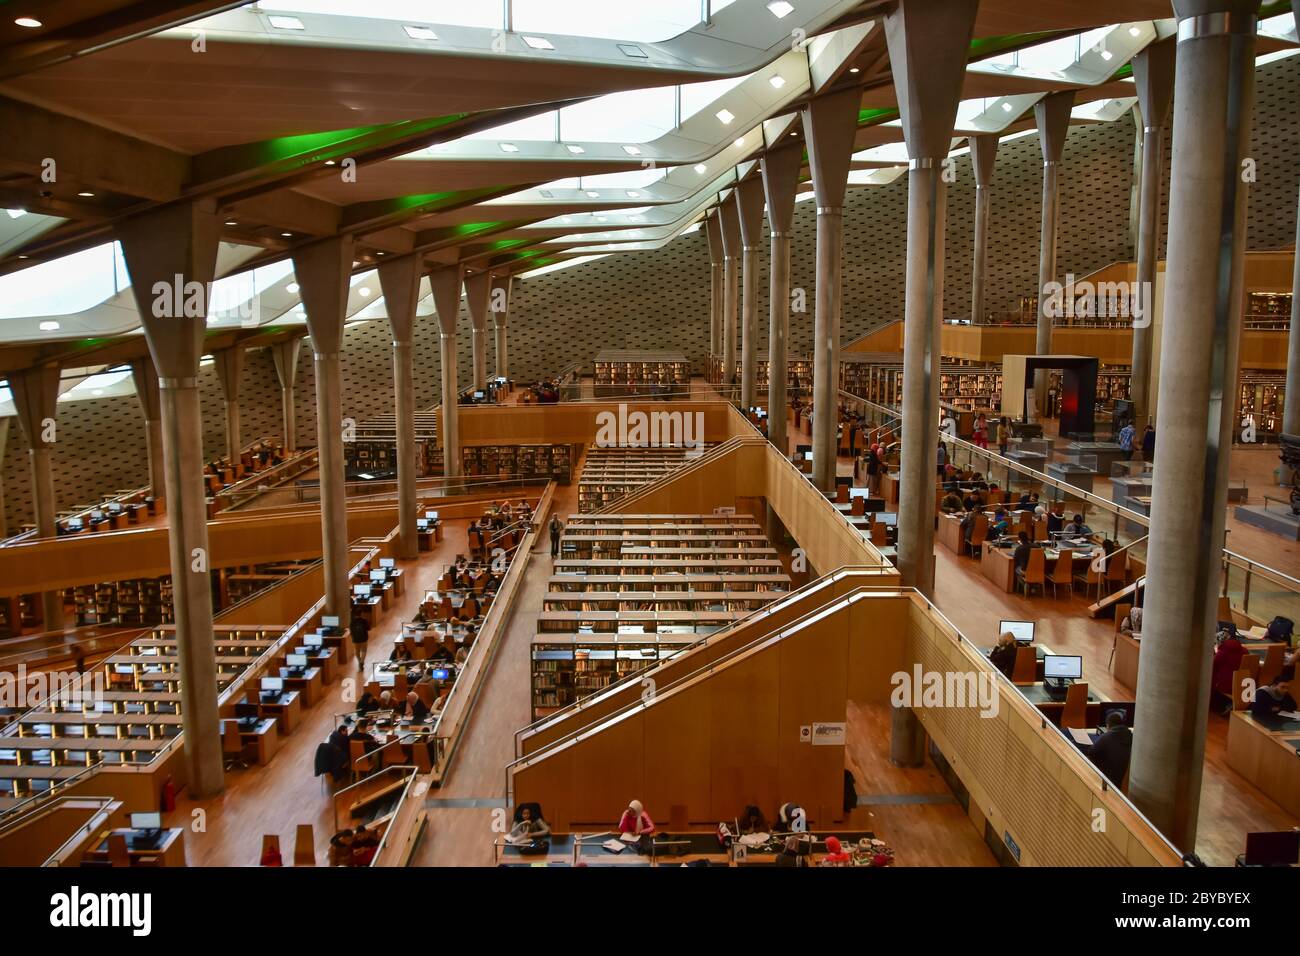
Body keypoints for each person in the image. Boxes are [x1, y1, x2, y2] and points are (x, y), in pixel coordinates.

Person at [1088, 711, 1133, 785]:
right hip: (1124, 778)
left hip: (1110, 779)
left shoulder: (1106, 737)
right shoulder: (1131, 736)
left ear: (1108, 726)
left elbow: (1091, 752)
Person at [1210, 629, 1247, 715]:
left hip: (1226, 684)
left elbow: (1212, 665)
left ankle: (1218, 704)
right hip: (1242, 682)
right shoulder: (1244, 650)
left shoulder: (1223, 652)